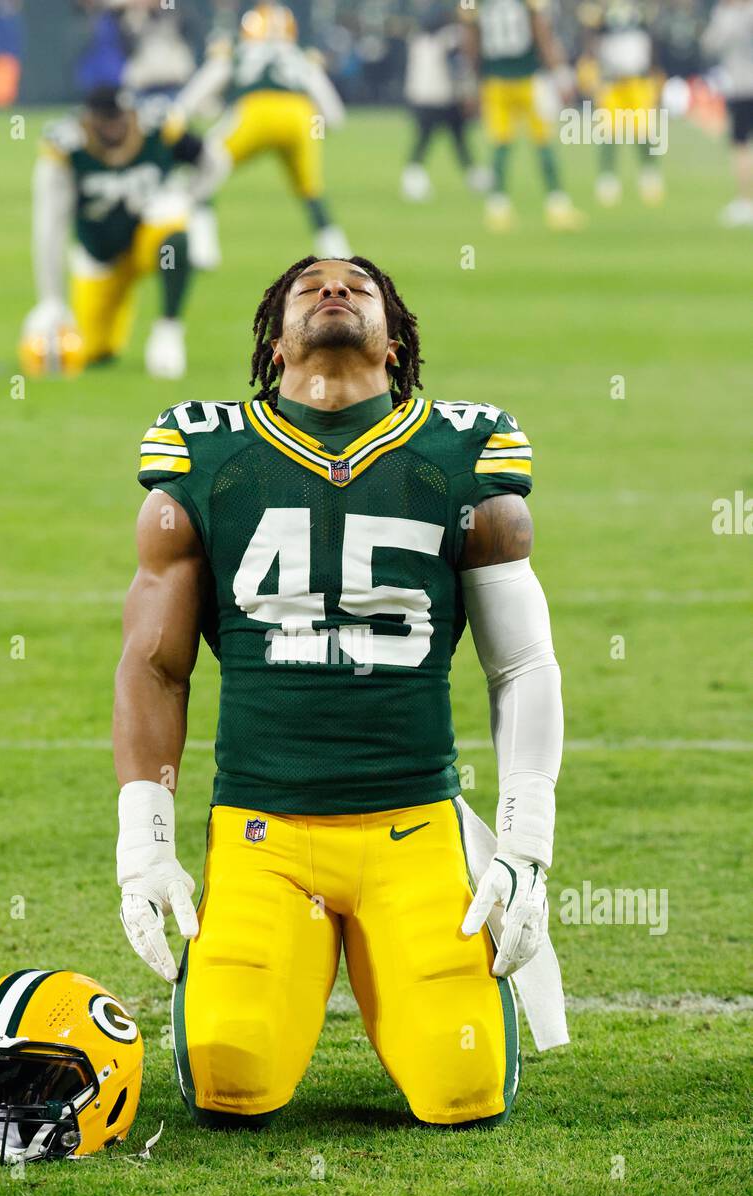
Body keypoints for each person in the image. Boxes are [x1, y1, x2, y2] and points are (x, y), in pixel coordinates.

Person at [113, 255, 565, 1130]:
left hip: (412, 829)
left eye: (358, 286)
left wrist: (525, 846)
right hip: (262, 833)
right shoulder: (207, 455)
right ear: (273, 344)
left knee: (460, 1088)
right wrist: (146, 844)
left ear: (394, 344)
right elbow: (153, 662)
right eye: (307, 285)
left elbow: (521, 666)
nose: (333, 288)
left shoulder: (463, 454)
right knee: (227, 1077)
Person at [21, 84, 207, 380]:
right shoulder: (66, 148)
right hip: (101, 254)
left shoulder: (157, 128)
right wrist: (51, 298)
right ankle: (106, 340)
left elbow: (213, 159)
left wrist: (193, 200)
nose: (114, 128)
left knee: (175, 233)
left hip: (150, 237)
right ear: (89, 121)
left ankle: (168, 330)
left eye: (120, 118)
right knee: (90, 352)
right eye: (105, 120)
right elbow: (49, 227)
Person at [171, 4, 351, 262]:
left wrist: (181, 113)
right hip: (299, 116)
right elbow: (333, 113)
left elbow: (205, 84)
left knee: (205, 164)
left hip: (255, 112)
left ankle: (204, 249)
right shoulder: (300, 55)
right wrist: (324, 126)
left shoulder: (237, 49)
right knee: (311, 189)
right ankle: (337, 250)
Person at [462, 0, 586, 230]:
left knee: (501, 143)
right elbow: (542, 33)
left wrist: (471, 81)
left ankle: (497, 208)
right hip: (529, 78)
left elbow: (471, 41)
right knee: (543, 142)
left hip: (495, 81)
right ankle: (557, 206)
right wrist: (560, 73)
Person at [400, 5, 490, 201]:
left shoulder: (418, 39)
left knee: (448, 138)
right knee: (446, 138)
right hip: (443, 97)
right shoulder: (450, 38)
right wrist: (468, 92)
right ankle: (415, 177)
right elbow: (458, 67)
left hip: (421, 97)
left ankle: (415, 176)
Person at [579, 1, 664, 207]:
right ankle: (608, 178)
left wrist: (654, 69)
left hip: (638, 78)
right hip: (611, 80)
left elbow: (650, 39)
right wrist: (590, 66)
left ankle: (649, 174)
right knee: (609, 131)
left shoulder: (641, 9)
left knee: (643, 130)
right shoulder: (600, 11)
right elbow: (590, 39)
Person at [702, 0, 753, 226]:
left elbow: (710, 44)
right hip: (740, 86)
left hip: (742, 87)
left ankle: (745, 202)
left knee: (740, 146)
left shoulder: (728, 14)